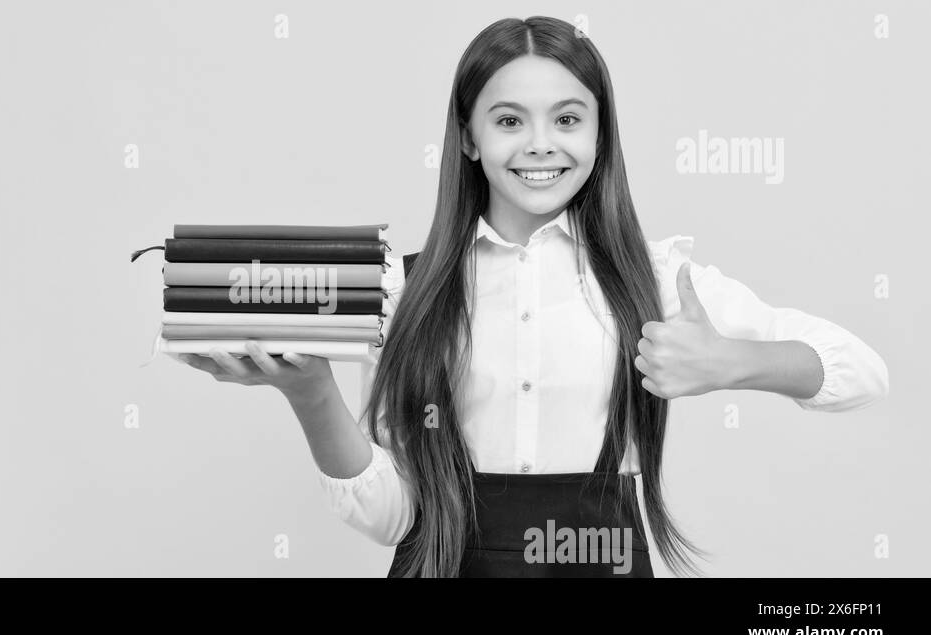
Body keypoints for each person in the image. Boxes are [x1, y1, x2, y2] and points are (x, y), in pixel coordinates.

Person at [177, 16, 890, 577]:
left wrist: (730, 362)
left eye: (569, 119)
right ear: (468, 136)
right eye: (510, 120)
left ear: (600, 133)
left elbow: (861, 371)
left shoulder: (658, 275)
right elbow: (394, 517)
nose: (541, 145)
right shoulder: (402, 284)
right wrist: (309, 393)